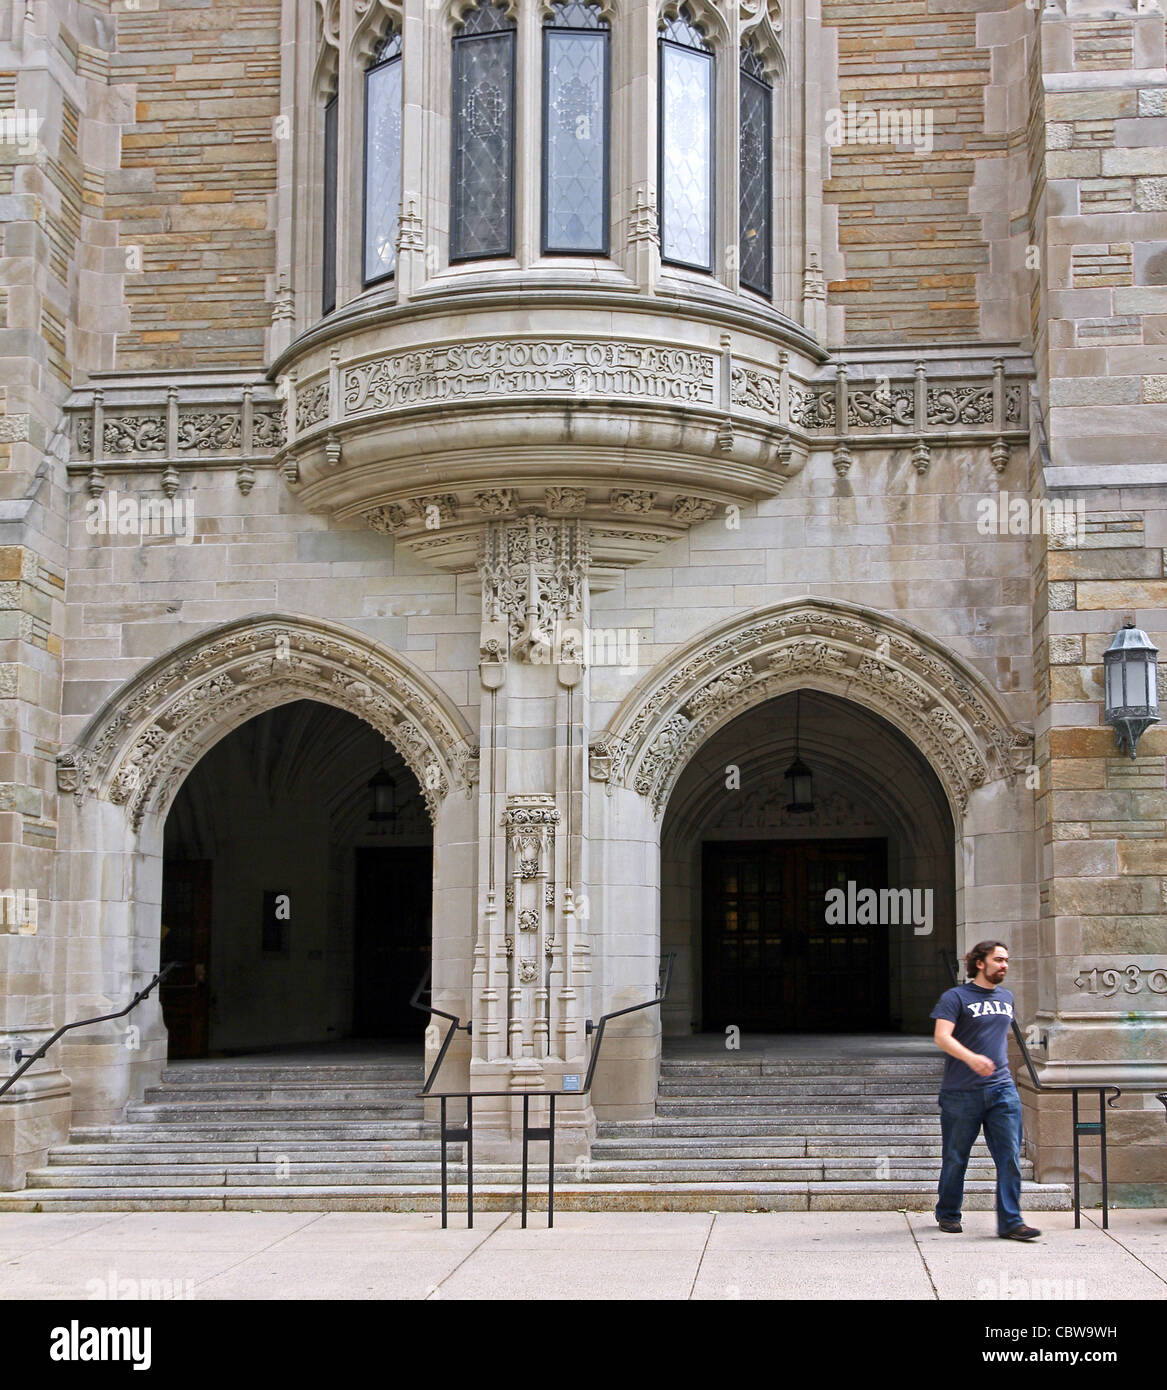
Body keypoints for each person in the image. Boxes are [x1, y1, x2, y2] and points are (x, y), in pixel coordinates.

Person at [930, 940, 1041, 1240]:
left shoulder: (1007, 997)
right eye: (999, 960)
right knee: (956, 1157)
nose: (1005, 965)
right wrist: (971, 1058)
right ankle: (948, 1212)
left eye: (1007, 960)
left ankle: (1011, 1222)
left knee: (1009, 1156)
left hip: (1002, 1088)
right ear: (980, 963)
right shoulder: (955, 997)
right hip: (961, 1092)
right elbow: (942, 1037)